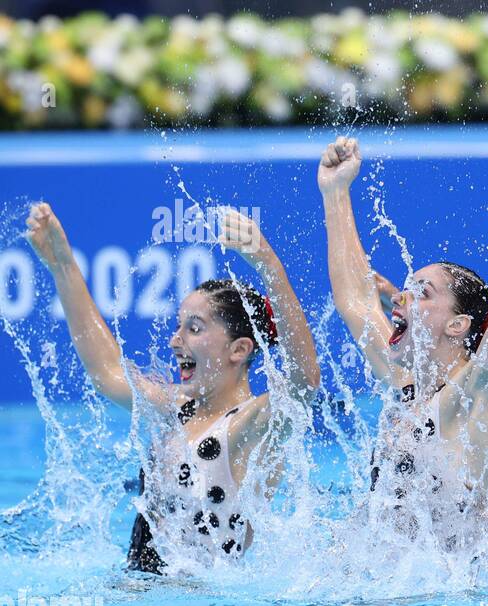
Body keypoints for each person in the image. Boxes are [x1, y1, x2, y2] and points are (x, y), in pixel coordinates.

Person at [318, 122, 488, 531]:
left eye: (422, 293)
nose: (400, 299)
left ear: (458, 325)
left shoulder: (481, 389)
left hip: (456, 591)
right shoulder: (402, 388)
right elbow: (355, 300)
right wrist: (336, 193)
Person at [25, 203, 320, 573]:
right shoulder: (176, 409)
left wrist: (268, 265)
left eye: (194, 329)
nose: (174, 341)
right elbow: (106, 372)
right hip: (144, 593)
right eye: (179, 326)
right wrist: (62, 265)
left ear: (239, 349)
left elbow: (303, 382)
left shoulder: (250, 426)